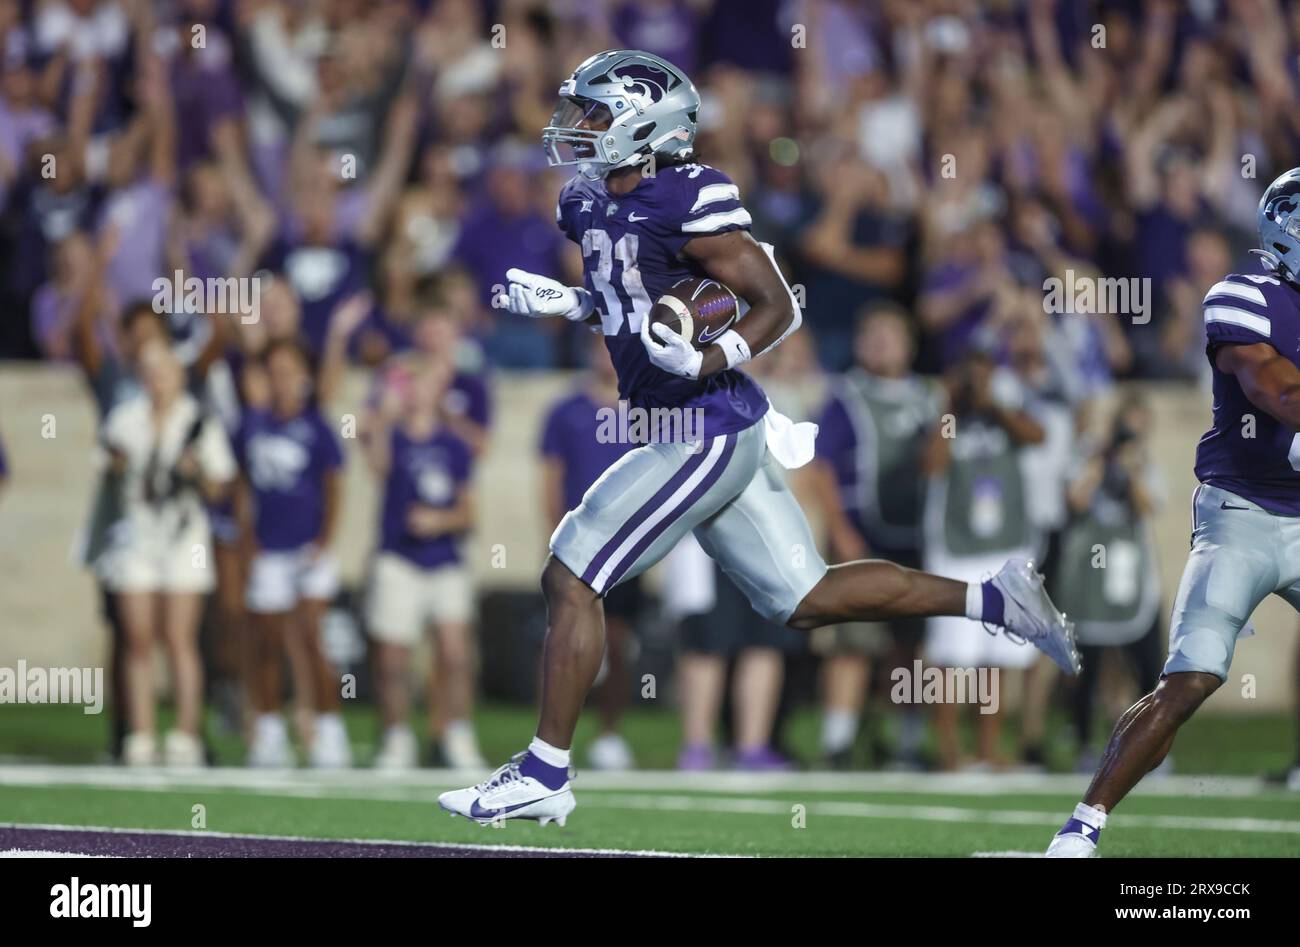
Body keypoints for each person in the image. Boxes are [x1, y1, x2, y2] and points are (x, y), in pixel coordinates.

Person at [439, 50, 1078, 827]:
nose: (576, 128)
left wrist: (711, 352)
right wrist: (573, 304)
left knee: (572, 572)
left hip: (702, 424)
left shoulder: (689, 196)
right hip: (711, 425)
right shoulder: (586, 199)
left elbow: (778, 304)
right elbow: (633, 302)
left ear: (645, 127)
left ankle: (545, 770)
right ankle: (998, 598)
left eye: (595, 114)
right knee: (806, 599)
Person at [1047, 168, 1300, 856]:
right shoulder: (1243, 296)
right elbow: (1274, 386)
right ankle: (1084, 823)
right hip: (1241, 512)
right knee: (1189, 679)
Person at [808, 304, 941, 767]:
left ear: (910, 342)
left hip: (918, 539)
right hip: (862, 537)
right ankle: (838, 743)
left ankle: (906, 743)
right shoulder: (846, 396)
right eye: (872, 333)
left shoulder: (930, 397)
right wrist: (840, 529)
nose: (881, 342)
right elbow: (820, 466)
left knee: (911, 646)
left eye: (891, 333)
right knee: (854, 645)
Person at [97, 339, 236, 766]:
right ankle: (140, 732)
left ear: (179, 376)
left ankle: (185, 733)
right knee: (138, 639)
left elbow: (220, 487)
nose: (158, 381)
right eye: (151, 372)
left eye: (166, 372)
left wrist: (195, 476)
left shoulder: (198, 422)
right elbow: (106, 472)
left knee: (179, 637)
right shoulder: (125, 419)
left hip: (182, 539)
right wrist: (116, 466)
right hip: (137, 535)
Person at [234, 337, 350, 768]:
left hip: (306, 548)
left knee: (310, 634)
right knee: (265, 640)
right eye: (274, 371)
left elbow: (334, 484)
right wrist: (245, 542)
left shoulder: (317, 426)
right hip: (268, 548)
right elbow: (242, 486)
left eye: (289, 370)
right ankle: (268, 729)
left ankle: (328, 729)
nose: (281, 380)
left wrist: (324, 540)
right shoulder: (252, 424)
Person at [364, 355, 483, 770]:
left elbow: (469, 513)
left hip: (444, 557)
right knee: (394, 658)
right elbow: (377, 467)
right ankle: (397, 736)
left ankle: (457, 734)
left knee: (454, 653)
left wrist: (440, 520)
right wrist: (382, 416)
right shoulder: (392, 437)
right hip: (399, 556)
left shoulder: (453, 444)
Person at [538, 332, 641, 770]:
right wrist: (556, 537)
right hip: (580, 545)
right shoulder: (566, 410)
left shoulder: (647, 409)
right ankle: (554, 740)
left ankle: (609, 735)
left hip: (632, 547)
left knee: (618, 644)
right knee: (564, 642)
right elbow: (550, 478)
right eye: (600, 345)